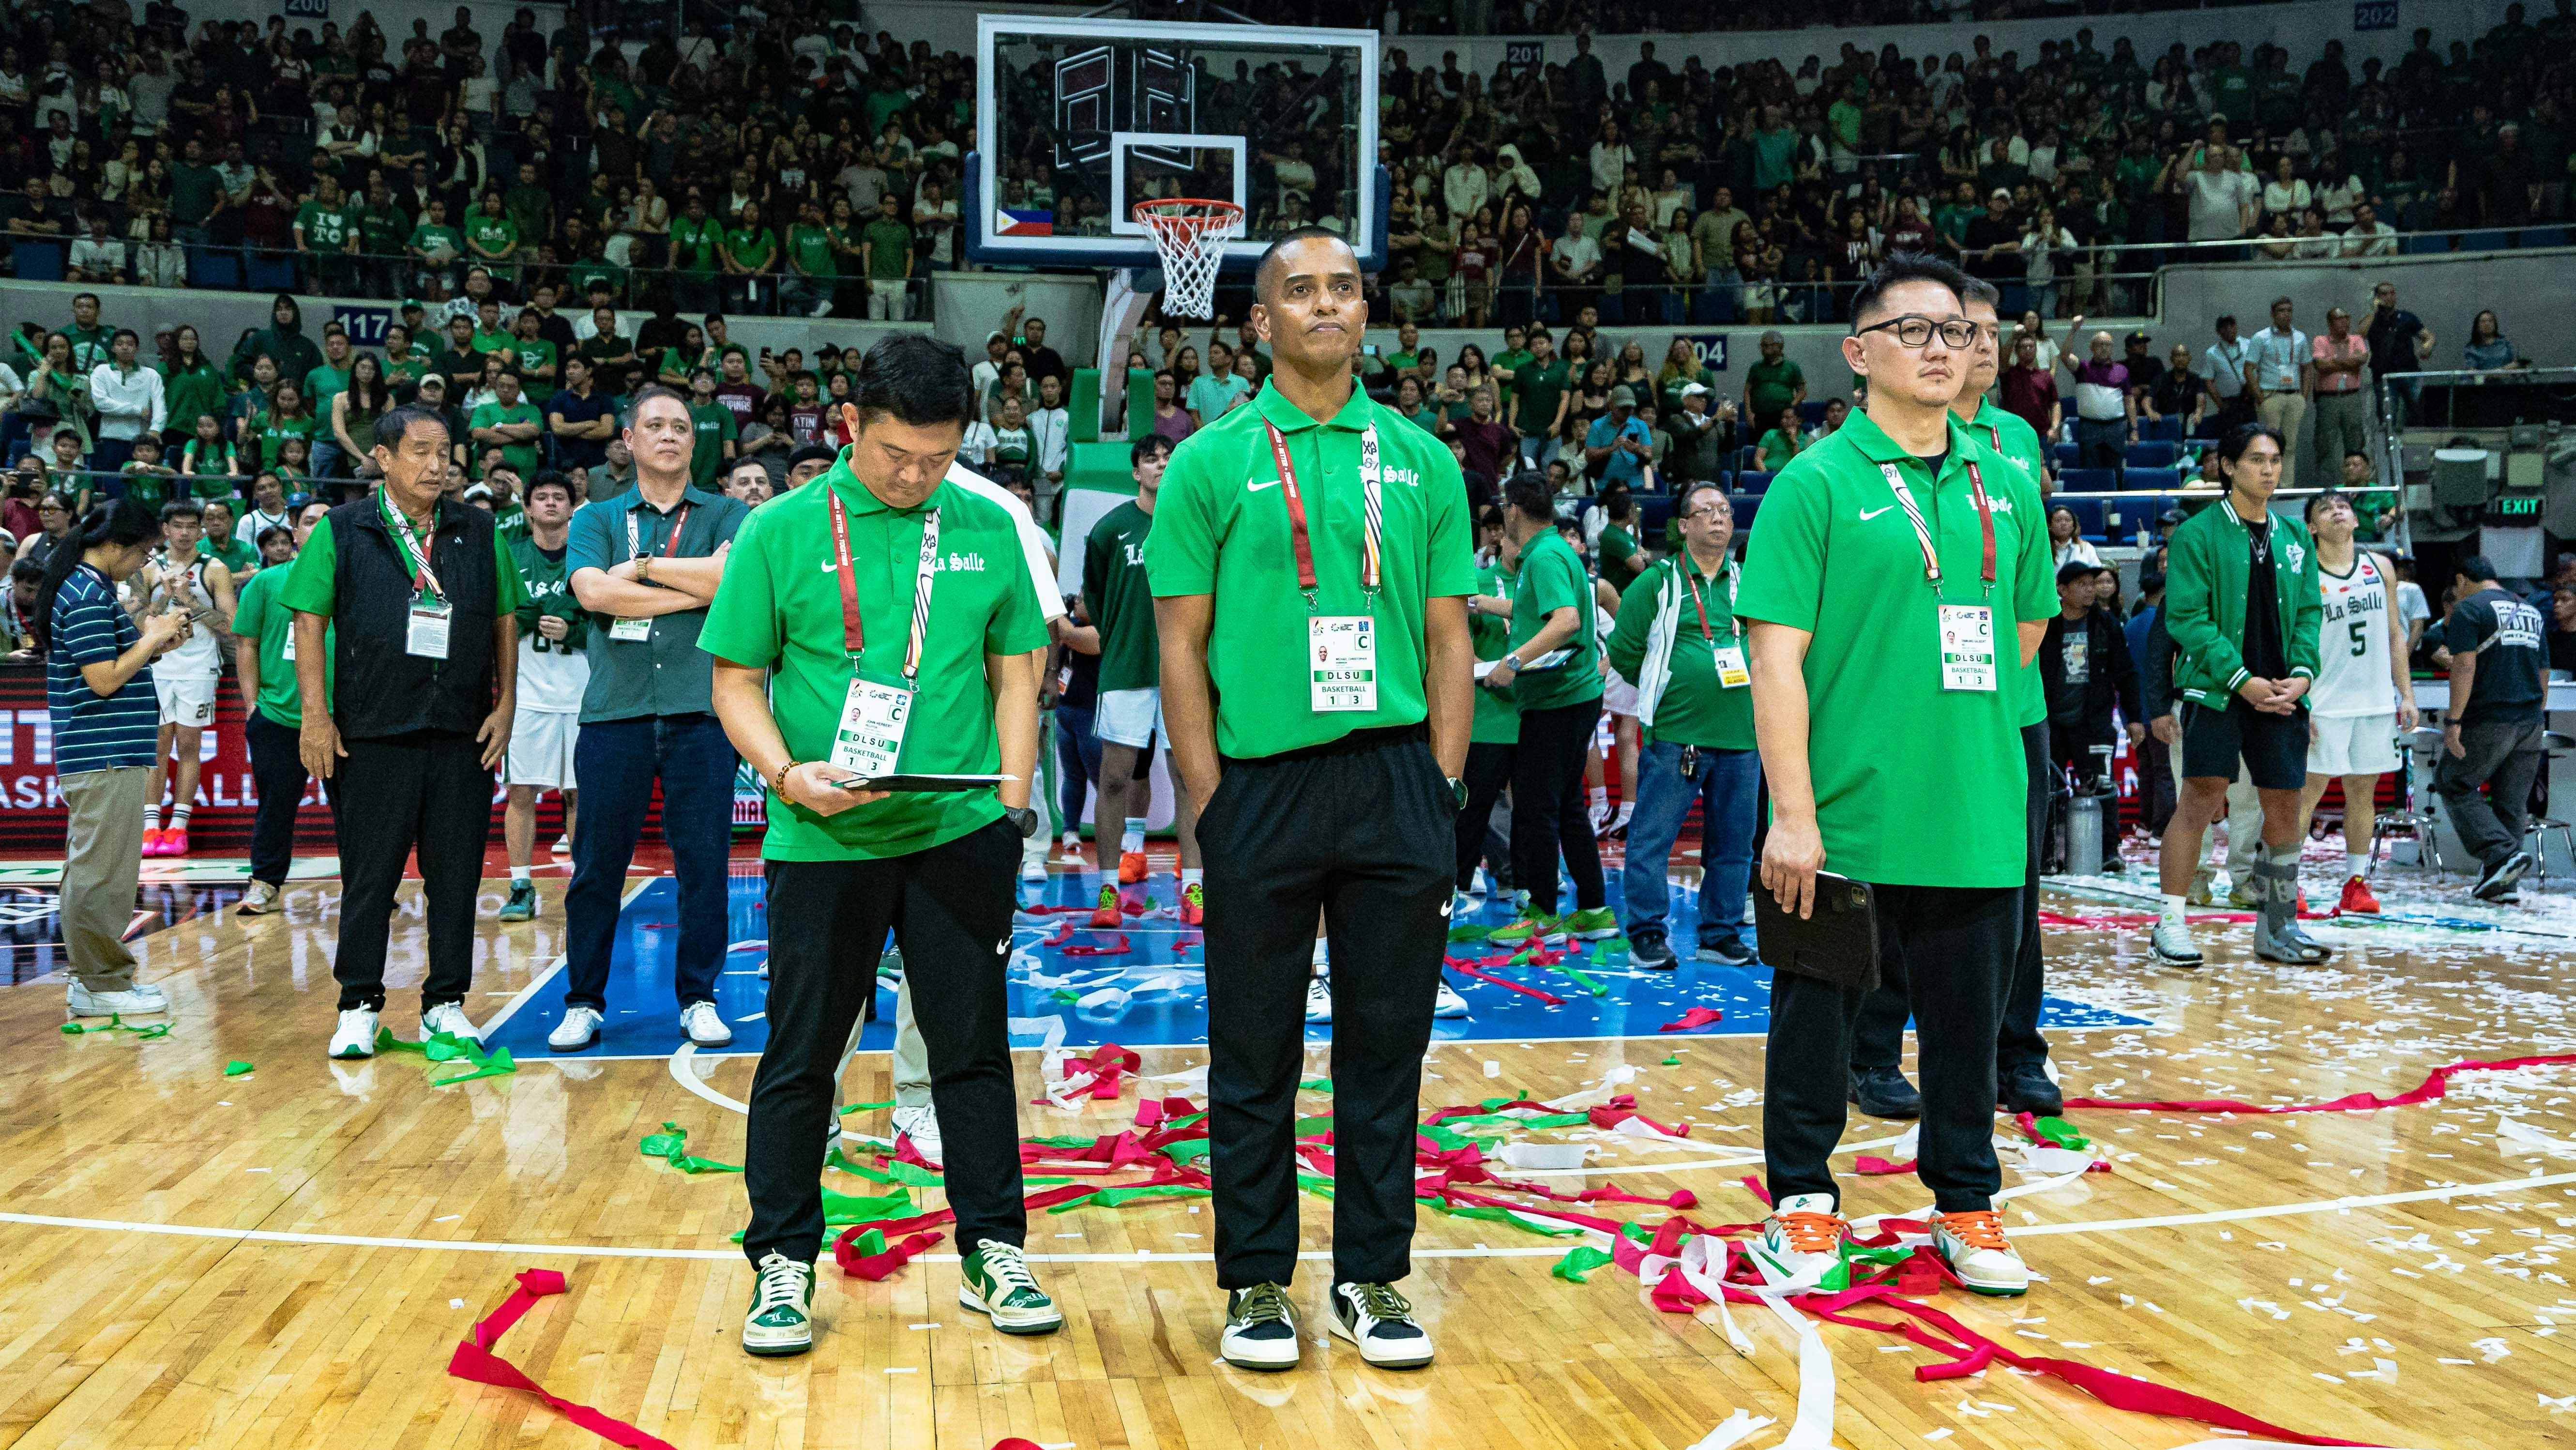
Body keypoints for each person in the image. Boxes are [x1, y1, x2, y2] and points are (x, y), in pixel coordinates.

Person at [1143, 227, 1473, 1372]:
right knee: (1255, 1049)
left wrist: (1440, 783)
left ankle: (1372, 1274)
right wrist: (1208, 798)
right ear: (1259, 323)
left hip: (1394, 781)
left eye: (1343, 287)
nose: (1325, 304)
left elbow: (1445, 637)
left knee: (1388, 1045)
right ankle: (1254, 1281)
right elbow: (1178, 646)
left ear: (1364, 312)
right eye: (1300, 289)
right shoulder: (1210, 461)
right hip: (1263, 786)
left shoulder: (1423, 459)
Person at [702, 335, 1058, 1357]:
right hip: (820, 836)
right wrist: (785, 776)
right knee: (801, 1055)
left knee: (972, 1052)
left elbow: (1017, 675)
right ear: (850, 425)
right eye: (897, 453)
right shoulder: (778, 532)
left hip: (958, 834)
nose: (914, 475)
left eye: (937, 458)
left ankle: (996, 1250)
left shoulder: (992, 528)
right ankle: (783, 1261)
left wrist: (1013, 806)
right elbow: (734, 680)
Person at [1739, 254, 2053, 1298]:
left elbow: (2029, 622)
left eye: (1957, 332)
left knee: (1968, 1034)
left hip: (1974, 813)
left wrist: (1950, 719)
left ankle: (1966, 1203)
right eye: (1914, 331)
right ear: (1859, 351)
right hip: (1845, 820)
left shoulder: (2005, 479)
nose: (1940, 349)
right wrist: (1792, 813)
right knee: (1818, 1026)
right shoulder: (1813, 483)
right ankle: (1805, 1208)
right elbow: (1775, 656)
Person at [285, 405, 525, 1059]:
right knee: (371, 874)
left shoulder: (479, 529)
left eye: (444, 450)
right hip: (372, 732)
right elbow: (308, 621)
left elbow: (505, 618)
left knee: (457, 876)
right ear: (383, 458)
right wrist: (315, 714)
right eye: (419, 450)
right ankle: (358, 1002)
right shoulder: (342, 528)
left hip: (462, 731)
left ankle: (446, 1004)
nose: (436, 462)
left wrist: (505, 706)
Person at [546, 387, 752, 1050]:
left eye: (681, 427)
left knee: (704, 864)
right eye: (655, 425)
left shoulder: (731, 513)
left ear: (696, 443)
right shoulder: (595, 515)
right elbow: (591, 592)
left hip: (703, 712)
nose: (669, 435)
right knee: (596, 866)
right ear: (627, 440)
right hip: (616, 713)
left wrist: (637, 573)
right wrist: (685, 586)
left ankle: (698, 996)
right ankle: (583, 1000)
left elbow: (731, 586)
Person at [2150, 423, 2327, 967]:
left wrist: (2301, 674)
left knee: (2284, 807)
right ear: (2227, 467)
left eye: (2275, 459)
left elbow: (2308, 614)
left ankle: (2278, 928)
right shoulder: (2197, 534)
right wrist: (2242, 680)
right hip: (2219, 692)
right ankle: (2171, 925)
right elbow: (2186, 619)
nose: (2269, 469)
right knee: (2199, 801)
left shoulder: (2296, 537)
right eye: (2255, 459)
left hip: (2280, 694)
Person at [39, 499, 190, 1017]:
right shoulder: (84, 593)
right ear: (116, 545)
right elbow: (102, 680)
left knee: (103, 871)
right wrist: (150, 636)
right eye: (143, 553)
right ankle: (100, 984)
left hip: (110, 751)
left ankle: (98, 979)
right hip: (101, 753)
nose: (143, 564)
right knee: (100, 875)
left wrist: (158, 644)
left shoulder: (92, 588)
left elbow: (113, 665)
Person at [1605, 481, 1757, 968]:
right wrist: (1666, 690)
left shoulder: (1752, 582)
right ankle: (1648, 933)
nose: (1718, 517)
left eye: (1725, 510)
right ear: (1684, 525)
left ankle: (1720, 934)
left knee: (1734, 845)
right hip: (1678, 737)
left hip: (1743, 737)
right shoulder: (1657, 582)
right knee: (1653, 839)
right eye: (1706, 510)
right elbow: (1625, 651)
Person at [1480, 474, 1619, 947]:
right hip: (1572, 697)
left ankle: (1541, 916)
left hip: (1557, 699)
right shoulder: (1556, 551)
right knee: (1567, 805)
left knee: (1536, 809)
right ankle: (1596, 910)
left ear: (1514, 510)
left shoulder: (1542, 556)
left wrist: (1512, 662)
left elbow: (1566, 620)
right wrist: (1481, 602)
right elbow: (1536, 610)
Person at [1074, 435, 1201, 927]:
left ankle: (1194, 889)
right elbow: (1097, 599)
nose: (1161, 466)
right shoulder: (1111, 529)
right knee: (1112, 779)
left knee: (1189, 778)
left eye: (1169, 459)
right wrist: (1125, 640)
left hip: (1182, 671)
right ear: (1136, 472)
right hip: (1127, 671)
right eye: (1152, 459)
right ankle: (1108, 892)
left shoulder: (1191, 522)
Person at [2296, 490, 2415, 915]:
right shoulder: (2303, 572)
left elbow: (2394, 636)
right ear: (2311, 526)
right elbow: (2292, 642)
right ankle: (2285, 880)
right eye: (2326, 508)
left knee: (2363, 794)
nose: (2338, 510)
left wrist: (2407, 694)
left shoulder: (2380, 566)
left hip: (2374, 701)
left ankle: (2356, 883)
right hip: (2323, 701)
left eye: (2343, 506)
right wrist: (2299, 700)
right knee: (2306, 796)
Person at [231, 497, 336, 917]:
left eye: (329, 521)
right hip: (277, 717)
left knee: (355, 809)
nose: (321, 527)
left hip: (342, 719)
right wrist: (253, 703)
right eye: (311, 521)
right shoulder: (266, 582)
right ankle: (264, 884)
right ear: (296, 534)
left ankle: (371, 888)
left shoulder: (358, 584)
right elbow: (247, 644)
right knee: (276, 805)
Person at [495, 471, 587, 923]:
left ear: (574, 507)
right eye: (541, 497)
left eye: (559, 497)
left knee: (577, 794)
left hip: (583, 694)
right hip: (528, 695)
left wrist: (574, 625)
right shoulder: (510, 556)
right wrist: (539, 614)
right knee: (522, 791)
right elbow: (500, 614)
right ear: (528, 507)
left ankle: (580, 888)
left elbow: (608, 614)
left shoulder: (590, 555)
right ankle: (520, 885)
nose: (550, 503)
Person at [2437, 555, 2547, 902]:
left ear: (2461, 580)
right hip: (2530, 719)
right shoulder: (2531, 610)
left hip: (2489, 716)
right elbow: (2544, 669)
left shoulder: (2470, 608)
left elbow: (2465, 666)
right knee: (2511, 803)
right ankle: (2503, 887)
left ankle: (2501, 853)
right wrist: (2534, 713)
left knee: (2453, 780)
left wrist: (2454, 719)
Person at [136, 499, 237, 857]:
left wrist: (187, 600)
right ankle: (151, 828)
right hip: (157, 664)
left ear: (200, 530)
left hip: (199, 665)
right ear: (165, 529)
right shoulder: (147, 569)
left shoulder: (215, 568)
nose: (183, 532)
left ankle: (179, 827)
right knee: (158, 746)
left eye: (190, 526)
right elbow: (134, 622)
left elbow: (230, 625)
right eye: (177, 525)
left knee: (189, 746)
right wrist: (164, 596)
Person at [2245, 298, 2313, 489]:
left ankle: (2287, 486)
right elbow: (2249, 368)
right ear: (2273, 314)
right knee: (2269, 445)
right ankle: (2269, 485)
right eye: (2282, 311)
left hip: (2294, 396)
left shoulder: (2300, 337)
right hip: (2270, 396)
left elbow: (2308, 367)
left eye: (2289, 310)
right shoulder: (2261, 337)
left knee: (2290, 444)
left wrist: (2304, 396)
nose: (2286, 314)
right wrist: (2259, 396)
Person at [2308, 307, 2370, 483]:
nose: (2344, 323)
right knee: (2325, 443)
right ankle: (2327, 486)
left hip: (2352, 398)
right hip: (2328, 400)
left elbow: (2362, 360)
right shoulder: (2321, 341)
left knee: (2355, 441)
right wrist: (2347, 363)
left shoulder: (2356, 340)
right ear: (2330, 323)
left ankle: (2357, 485)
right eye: (2339, 319)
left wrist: (2333, 361)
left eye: (2346, 319)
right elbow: (2320, 365)